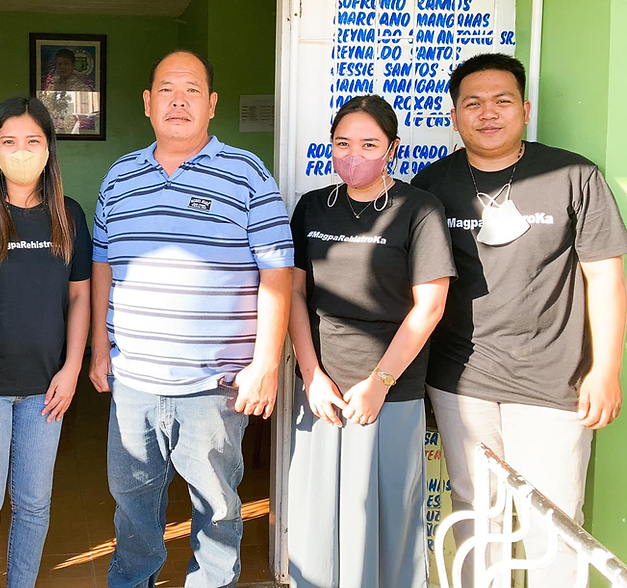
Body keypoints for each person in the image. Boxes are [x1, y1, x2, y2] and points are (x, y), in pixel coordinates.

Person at [412, 53, 627, 587]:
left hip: (554, 381)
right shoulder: (433, 184)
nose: (488, 113)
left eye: (502, 101)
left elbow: (605, 278)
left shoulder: (574, 176)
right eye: (473, 103)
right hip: (461, 380)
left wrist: (605, 370)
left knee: (553, 520)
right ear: (455, 115)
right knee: (473, 510)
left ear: (525, 109)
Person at [90, 50, 294, 588]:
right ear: (147, 102)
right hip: (134, 380)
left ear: (212, 104)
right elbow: (102, 267)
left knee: (217, 509)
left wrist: (266, 364)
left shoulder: (248, 174)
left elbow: (278, 273)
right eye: (166, 89)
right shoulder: (119, 177)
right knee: (132, 505)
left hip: (214, 384)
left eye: (191, 90)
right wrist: (99, 349)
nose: (178, 101)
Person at [286, 96, 455, 588]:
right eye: (342, 143)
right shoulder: (312, 206)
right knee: (318, 516)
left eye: (368, 144)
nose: (353, 155)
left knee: (385, 516)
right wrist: (311, 374)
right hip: (320, 389)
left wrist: (379, 382)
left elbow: (430, 306)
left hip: (391, 390)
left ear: (392, 148)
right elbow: (294, 293)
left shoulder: (419, 209)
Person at [0, 96, 92, 588]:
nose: (21, 151)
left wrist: (72, 368)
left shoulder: (68, 215)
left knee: (34, 503)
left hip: (46, 390)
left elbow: (80, 297)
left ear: (49, 149)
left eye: (32, 141)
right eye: (9, 141)